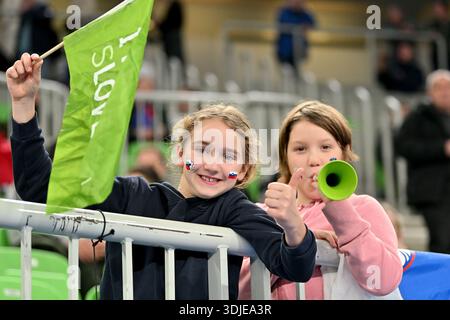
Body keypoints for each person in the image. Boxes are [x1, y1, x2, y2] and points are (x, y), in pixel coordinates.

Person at [6, 53, 317, 299]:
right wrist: (23, 105)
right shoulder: (135, 196)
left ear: (245, 172)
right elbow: (41, 189)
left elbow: (296, 266)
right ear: (179, 153)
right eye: (204, 148)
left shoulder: (235, 210)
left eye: (229, 156)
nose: (212, 164)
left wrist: (293, 225)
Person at [239, 101, 403, 299]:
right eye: (300, 149)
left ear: (343, 152)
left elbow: (383, 281)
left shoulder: (363, 208)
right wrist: (296, 239)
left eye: (326, 147)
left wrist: (341, 212)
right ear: (285, 157)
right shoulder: (263, 214)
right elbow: (235, 292)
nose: (314, 160)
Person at [395, 69, 450, 254]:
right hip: (432, 191)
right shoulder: (417, 117)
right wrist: (441, 149)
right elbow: (403, 147)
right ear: (429, 92)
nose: (444, 91)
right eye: (439, 87)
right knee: (441, 241)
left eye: (448, 87)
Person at [276, 0, 316, 72]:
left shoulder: (304, 14)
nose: (297, 3)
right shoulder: (284, 12)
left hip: (299, 50)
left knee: (297, 72)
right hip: (285, 51)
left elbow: (312, 23)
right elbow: (283, 22)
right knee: (286, 72)